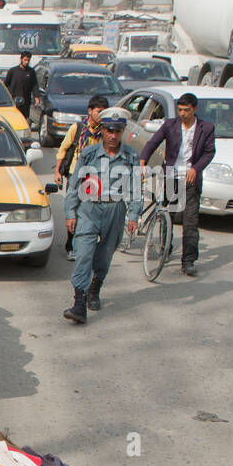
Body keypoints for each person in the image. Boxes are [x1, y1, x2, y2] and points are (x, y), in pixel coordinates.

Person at [62, 112, 142, 324]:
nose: (113, 136)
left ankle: (95, 287)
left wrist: (133, 214)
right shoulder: (88, 154)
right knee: (83, 254)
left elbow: (135, 187)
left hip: (115, 209)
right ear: (102, 131)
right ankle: (79, 303)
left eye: (117, 131)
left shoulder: (131, 156)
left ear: (122, 131)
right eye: (109, 131)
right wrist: (70, 212)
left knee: (104, 256)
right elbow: (75, 185)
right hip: (89, 208)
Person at [139, 92, 216, 277]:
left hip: (190, 180)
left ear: (195, 109)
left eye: (187, 110)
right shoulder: (170, 125)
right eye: (180, 110)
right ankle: (165, 246)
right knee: (169, 216)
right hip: (171, 178)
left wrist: (195, 169)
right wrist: (143, 161)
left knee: (190, 221)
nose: (183, 114)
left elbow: (209, 152)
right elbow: (153, 143)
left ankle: (188, 260)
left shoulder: (206, 128)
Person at [54, 95, 109, 261]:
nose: (101, 115)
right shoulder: (77, 128)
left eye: (103, 112)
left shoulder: (106, 130)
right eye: (98, 111)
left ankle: (88, 244)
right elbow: (63, 149)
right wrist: (57, 171)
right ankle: (71, 246)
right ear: (90, 111)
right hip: (76, 174)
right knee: (74, 210)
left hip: (97, 175)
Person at [4, 51, 38, 122]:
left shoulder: (31, 72)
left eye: (28, 60)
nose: (26, 62)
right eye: (25, 60)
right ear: (21, 59)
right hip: (14, 100)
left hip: (26, 101)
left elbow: (34, 85)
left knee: (24, 120)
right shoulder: (13, 71)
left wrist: (36, 96)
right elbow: (5, 84)